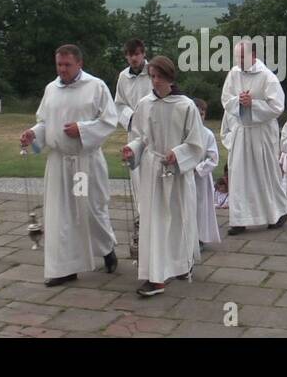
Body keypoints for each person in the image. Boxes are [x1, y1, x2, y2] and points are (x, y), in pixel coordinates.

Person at [20, 44, 119, 287]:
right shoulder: (51, 89)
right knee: (59, 216)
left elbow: (108, 121)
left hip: (83, 162)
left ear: (79, 64)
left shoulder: (95, 87)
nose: (62, 70)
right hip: (58, 162)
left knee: (88, 210)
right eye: (59, 65)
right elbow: (44, 122)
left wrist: (82, 130)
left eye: (67, 65)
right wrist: (33, 134)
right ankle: (65, 268)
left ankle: (106, 249)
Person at [122, 56, 206, 296]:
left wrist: (178, 154)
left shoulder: (185, 106)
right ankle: (156, 275)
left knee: (177, 218)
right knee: (154, 221)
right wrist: (133, 149)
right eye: (152, 76)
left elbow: (196, 144)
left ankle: (180, 263)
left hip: (176, 173)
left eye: (159, 76)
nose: (155, 81)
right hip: (152, 170)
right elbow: (140, 136)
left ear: (170, 78)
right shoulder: (145, 104)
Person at [220, 40, 287, 235]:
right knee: (239, 175)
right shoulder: (233, 74)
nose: (239, 61)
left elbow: (277, 106)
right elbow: (226, 99)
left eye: (242, 56)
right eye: (237, 57)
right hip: (242, 130)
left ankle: (278, 212)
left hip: (262, 132)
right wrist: (240, 102)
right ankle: (239, 219)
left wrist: (253, 104)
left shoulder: (267, 77)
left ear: (253, 55)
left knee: (265, 174)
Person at [114, 38, 153, 215]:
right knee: (136, 175)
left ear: (143, 53)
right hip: (134, 132)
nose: (134, 58)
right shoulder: (123, 77)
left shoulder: (154, 72)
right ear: (126, 57)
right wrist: (130, 117)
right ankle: (141, 215)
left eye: (137, 54)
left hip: (154, 131)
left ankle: (156, 213)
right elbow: (119, 104)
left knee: (154, 172)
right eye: (130, 55)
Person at [193, 98, 222, 246]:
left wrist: (197, 169)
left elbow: (213, 159)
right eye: (196, 113)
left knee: (201, 208)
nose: (200, 117)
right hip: (185, 176)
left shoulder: (208, 134)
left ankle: (200, 238)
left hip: (201, 179)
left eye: (202, 114)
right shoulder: (184, 132)